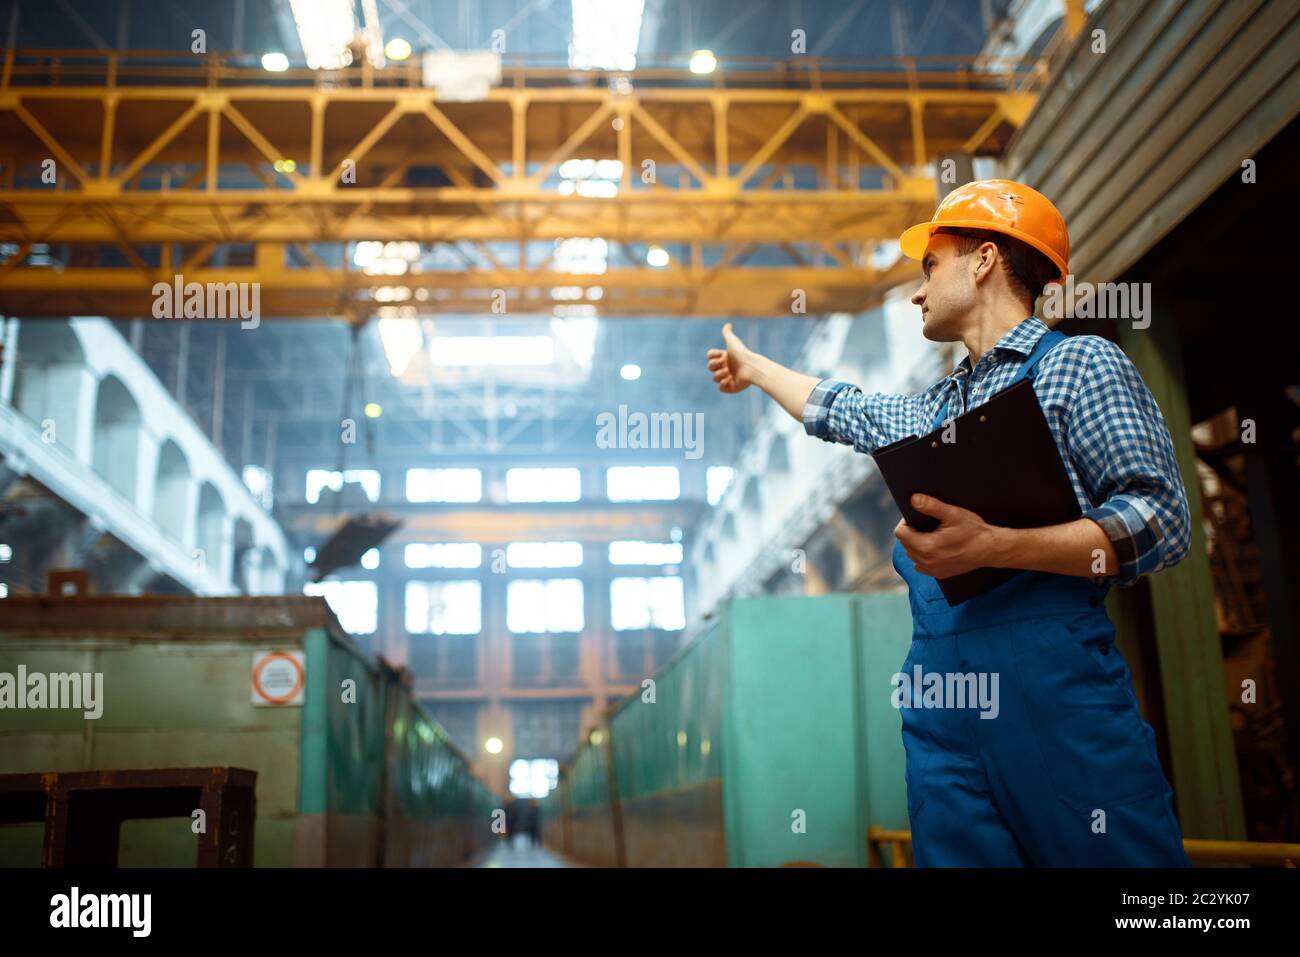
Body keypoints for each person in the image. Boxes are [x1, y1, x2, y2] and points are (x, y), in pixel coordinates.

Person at [706, 179, 1192, 867]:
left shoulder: (1078, 365)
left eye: (930, 265)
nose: (917, 289)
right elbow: (841, 408)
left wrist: (1000, 545)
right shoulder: (933, 413)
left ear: (985, 259)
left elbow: (1161, 518)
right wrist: (755, 368)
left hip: (1057, 705)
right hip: (940, 711)